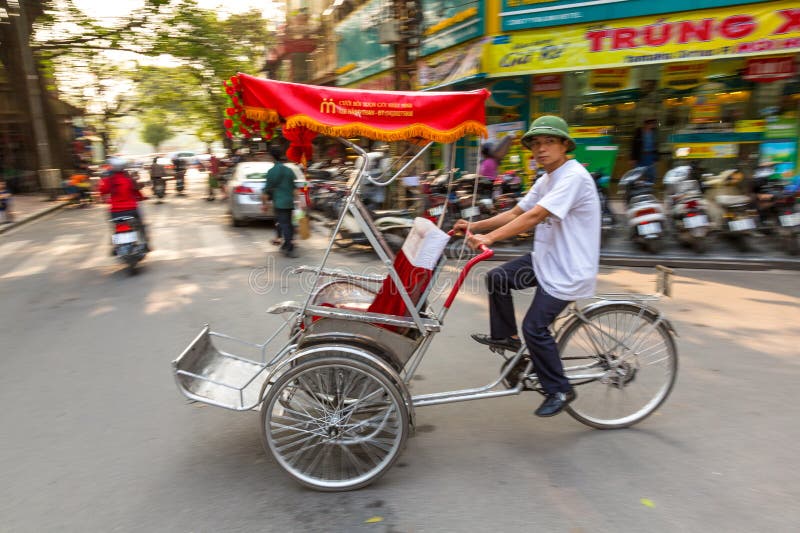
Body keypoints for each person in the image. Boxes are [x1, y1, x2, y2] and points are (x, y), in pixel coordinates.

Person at [455, 115, 600, 417]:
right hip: (546, 260)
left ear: (564, 145)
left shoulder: (572, 176)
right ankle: (507, 339)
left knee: (534, 327)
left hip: (569, 269)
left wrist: (490, 238)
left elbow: (533, 218)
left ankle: (560, 388)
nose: (541, 149)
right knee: (497, 278)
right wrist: (474, 225)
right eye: (536, 144)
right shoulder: (546, 179)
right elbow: (517, 212)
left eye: (549, 142)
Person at [98, 157, 150, 251]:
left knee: (114, 227)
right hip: (131, 209)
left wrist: (103, 198)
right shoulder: (128, 179)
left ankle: (114, 246)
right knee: (141, 226)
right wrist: (142, 197)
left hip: (115, 211)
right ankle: (145, 243)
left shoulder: (108, 180)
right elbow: (136, 192)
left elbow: (102, 191)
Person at [262, 146, 298, 258]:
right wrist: (298, 201)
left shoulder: (271, 172)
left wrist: (265, 204)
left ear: (271, 157)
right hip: (289, 201)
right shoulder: (289, 170)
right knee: (288, 223)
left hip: (279, 202)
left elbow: (266, 191)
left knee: (284, 224)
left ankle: (288, 246)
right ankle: (285, 244)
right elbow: (294, 188)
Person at [631, 117, 659, 183]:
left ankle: (649, 187)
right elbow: (634, 145)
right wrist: (632, 158)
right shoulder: (639, 131)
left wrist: (657, 158)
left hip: (650, 156)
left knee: (651, 174)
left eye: (653, 124)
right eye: (650, 124)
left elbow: (656, 144)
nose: (651, 125)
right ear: (645, 124)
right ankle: (635, 188)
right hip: (640, 156)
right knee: (637, 174)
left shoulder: (654, 132)